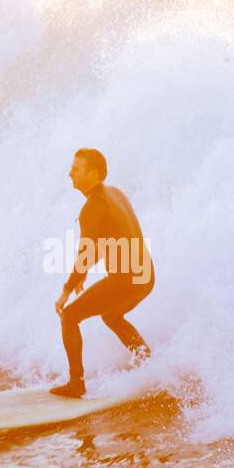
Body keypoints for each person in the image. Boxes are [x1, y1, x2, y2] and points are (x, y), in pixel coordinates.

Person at [50, 148, 154, 398]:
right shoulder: (114, 193)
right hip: (146, 276)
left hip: (126, 280)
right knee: (111, 314)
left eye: (76, 169)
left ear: (93, 174)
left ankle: (76, 383)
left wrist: (66, 290)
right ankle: (147, 362)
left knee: (70, 316)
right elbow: (107, 240)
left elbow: (87, 253)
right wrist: (83, 276)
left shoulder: (92, 207)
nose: (70, 174)